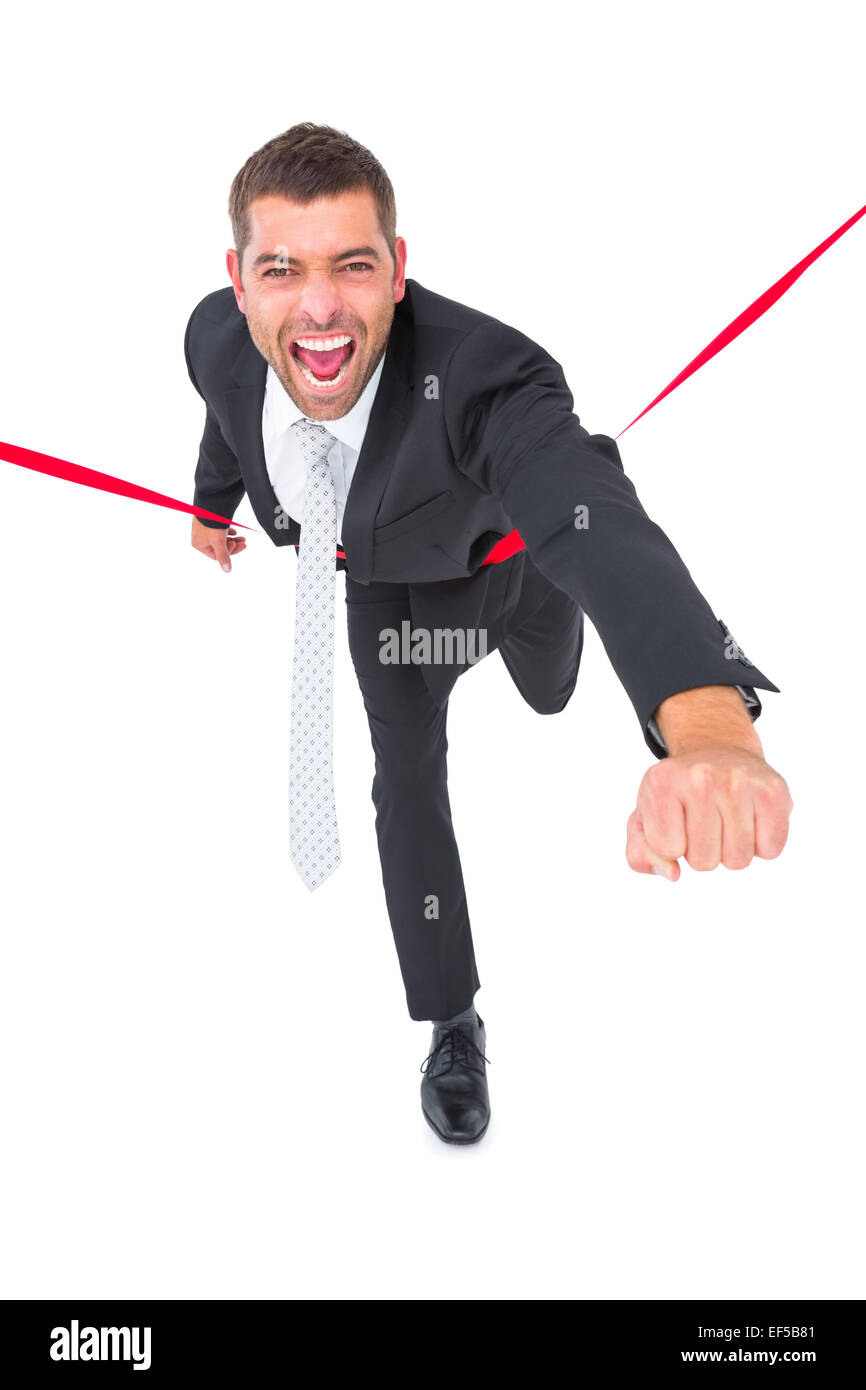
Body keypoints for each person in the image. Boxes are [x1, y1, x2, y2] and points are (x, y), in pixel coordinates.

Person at [185, 123, 793, 1146]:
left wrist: (709, 728)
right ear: (239, 280)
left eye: (353, 265)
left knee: (550, 686)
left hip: (511, 567)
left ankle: (536, 626)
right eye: (281, 268)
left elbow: (590, 514)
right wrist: (213, 504)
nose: (319, 305)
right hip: (375, 591)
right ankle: (450, 1019)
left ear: (398, 271)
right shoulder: (217, 334)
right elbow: (227, 408)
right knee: (404, 783)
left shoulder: (484, 374)